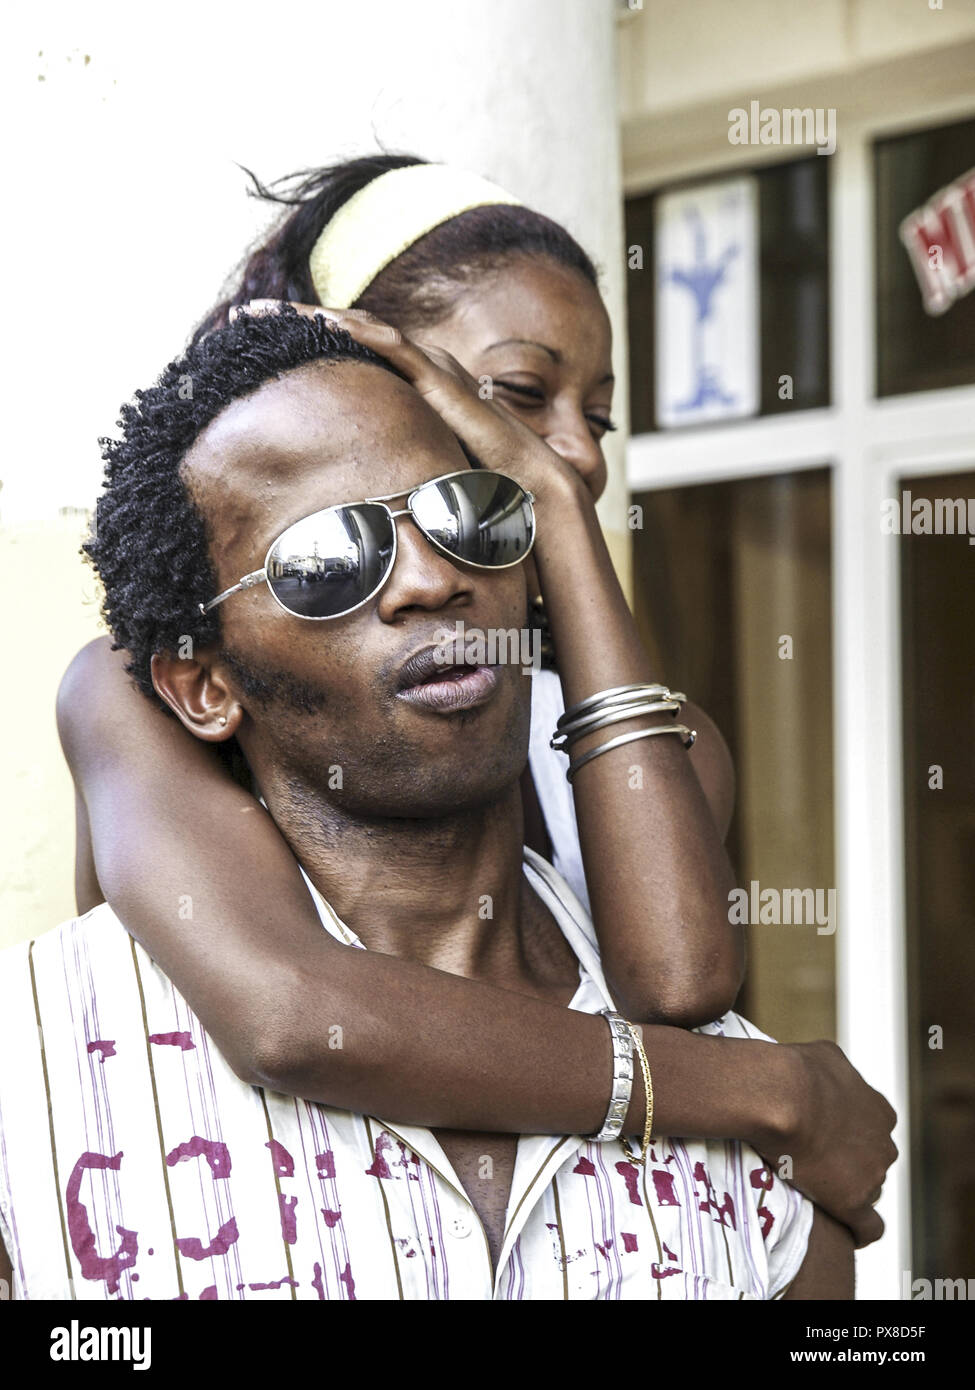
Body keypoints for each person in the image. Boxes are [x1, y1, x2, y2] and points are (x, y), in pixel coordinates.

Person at [55, 157, 895, 1247]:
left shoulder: (621, 730)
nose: (580, 450)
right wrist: (767, 1091)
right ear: (371, 371)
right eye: (519, 395)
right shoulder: (145, 692)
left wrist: (550, 509)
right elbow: (298, 1012)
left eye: (600, 415)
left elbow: (681, 980)